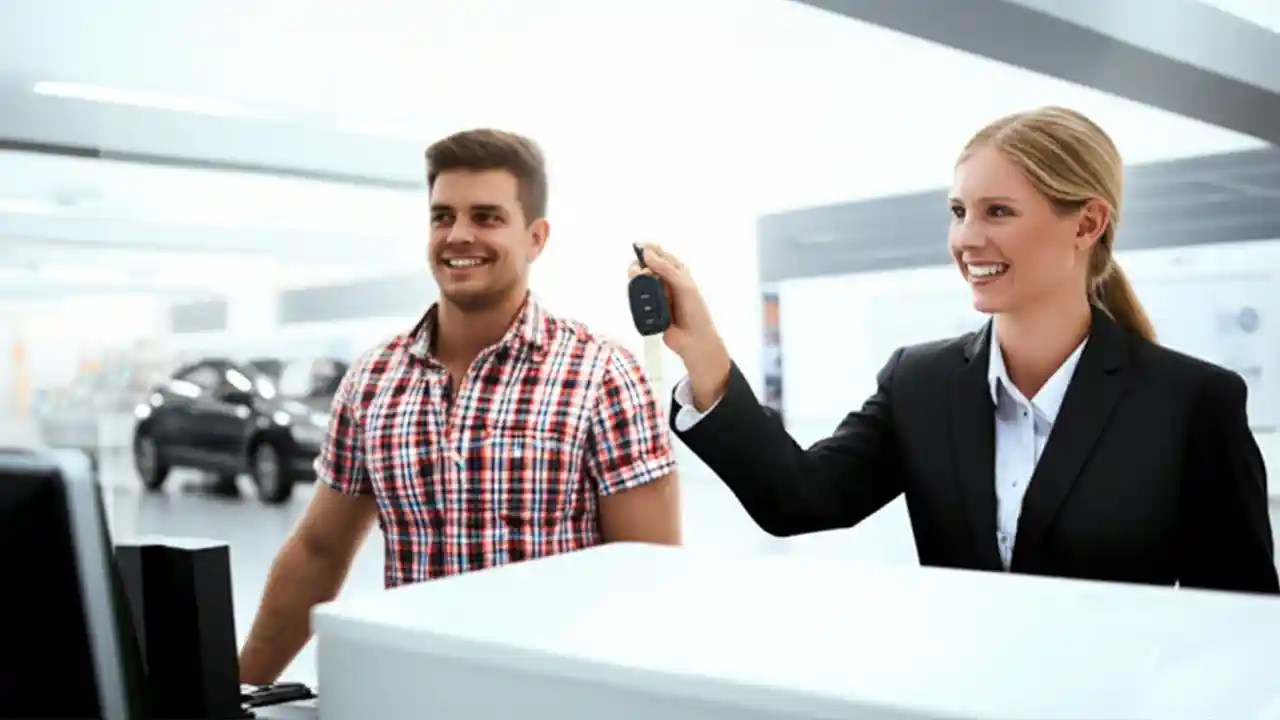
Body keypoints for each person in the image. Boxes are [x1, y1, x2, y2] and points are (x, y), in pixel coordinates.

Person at [633, 106, 1278, 594]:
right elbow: (795, 499)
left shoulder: (1191, 404)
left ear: (1086, 223)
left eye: (997, 212)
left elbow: (1241, 620)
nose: (966, 238)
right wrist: (704, 352)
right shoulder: (921, 383)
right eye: (958, 210)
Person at [239, 129, 682, 684]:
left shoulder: (600, 375)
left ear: (536, 238)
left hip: (552, 700)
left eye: (487, 217)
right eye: (442, 216)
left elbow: (648, 577)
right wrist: (238, 689)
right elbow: (318, 552)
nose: (459, 235)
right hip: (414, 694)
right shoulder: (373, 380)